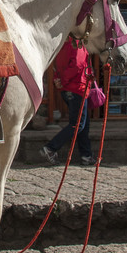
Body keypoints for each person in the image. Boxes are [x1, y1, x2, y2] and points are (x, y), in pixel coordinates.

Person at [40, 37, 98, 166]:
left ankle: (86, 155)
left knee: (83, 123)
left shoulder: (62, 45)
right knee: (78, 124)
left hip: (67, 89)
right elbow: (77, 65)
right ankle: (51, 148)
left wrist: (58, 80)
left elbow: (56, 67)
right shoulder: (77, 44)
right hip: (77, 88)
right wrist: (63, 80)